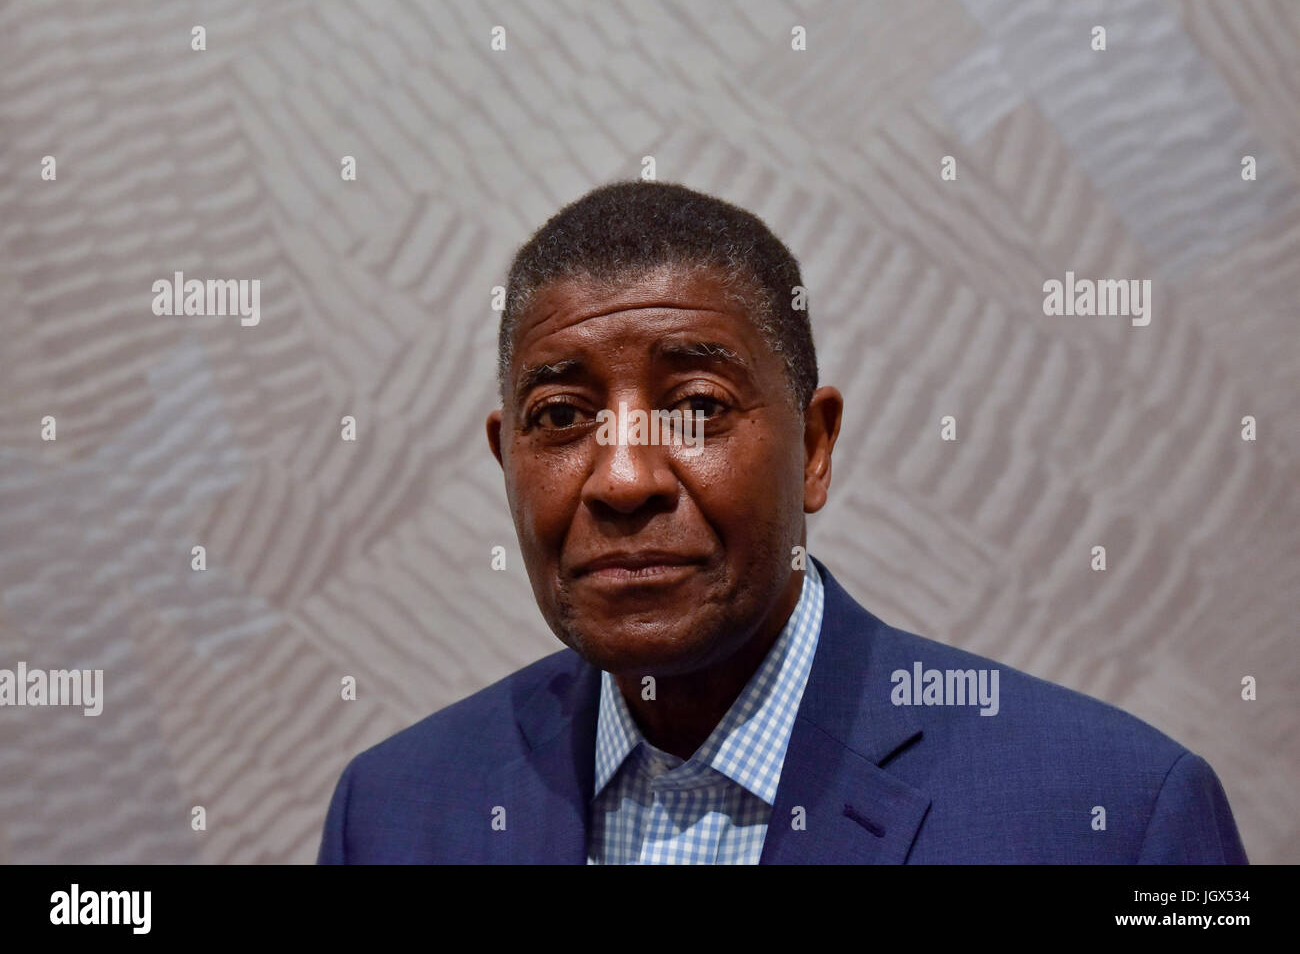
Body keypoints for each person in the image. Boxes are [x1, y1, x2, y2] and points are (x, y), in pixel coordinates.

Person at [317, 181, 1247, 864]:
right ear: (506, 461)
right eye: (562, 417)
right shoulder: (393, 816)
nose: (624, 477)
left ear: (814, 447)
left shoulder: (1117, 816)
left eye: (696, 405)